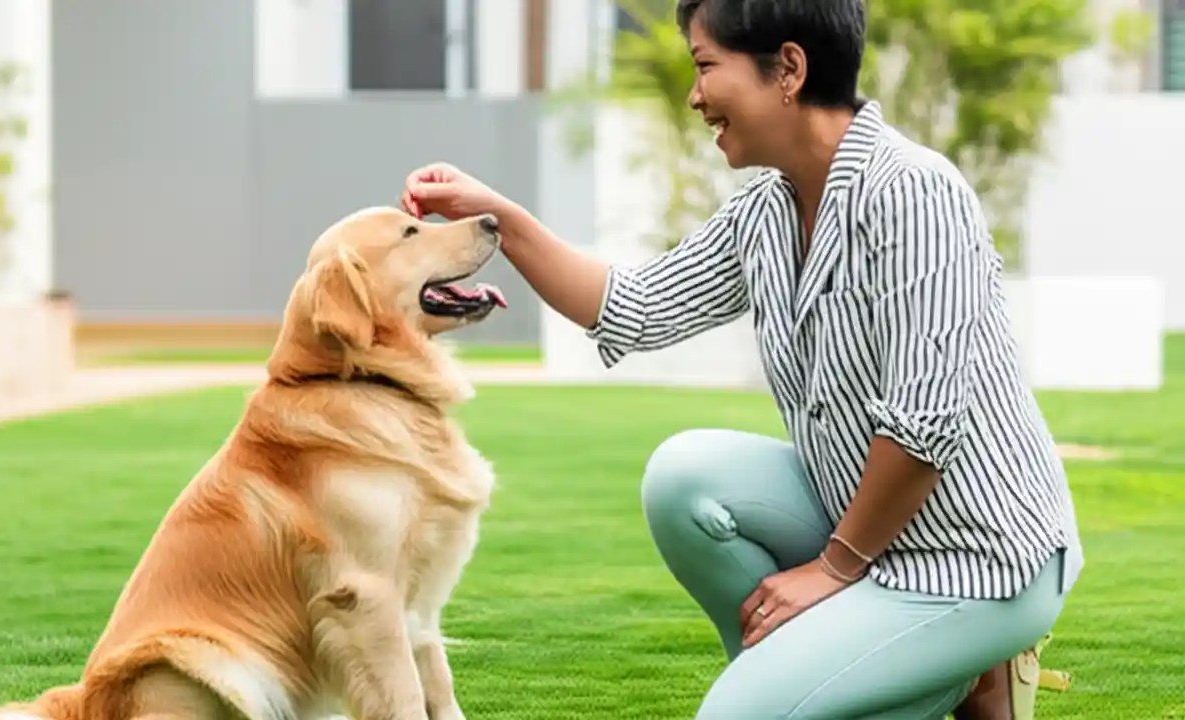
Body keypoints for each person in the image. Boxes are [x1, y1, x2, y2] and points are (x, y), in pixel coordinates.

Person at [400, 0, 1083, 716]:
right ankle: (890, 677)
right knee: (685, 479)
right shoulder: (767, 212)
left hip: (975, 559)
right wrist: (492, 218)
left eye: (705, 66)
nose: (695, 96)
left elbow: (924, 423)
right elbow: (631, 307)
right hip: (867, 526)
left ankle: (959, 661)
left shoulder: (914, 193)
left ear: (788, 68)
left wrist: (830, 570)